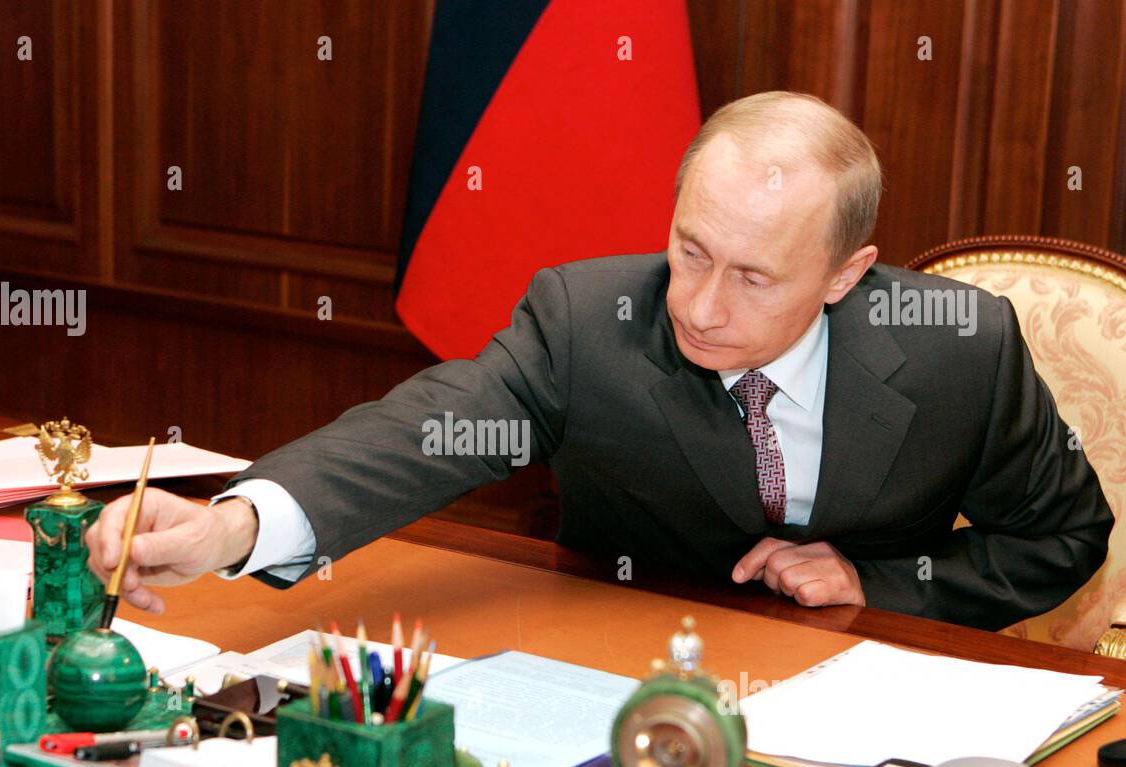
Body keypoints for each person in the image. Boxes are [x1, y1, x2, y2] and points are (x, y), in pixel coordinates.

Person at [86, 91, 1112, 631]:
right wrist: (234, 523)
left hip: (859, 693)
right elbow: (433, 428)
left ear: (848, 273)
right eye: (690, 249)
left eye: (754, 277)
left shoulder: (960, 350)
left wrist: (883, 581)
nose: (700, 307)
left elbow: (1061, 538)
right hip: (615, 661)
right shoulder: (589, 318)